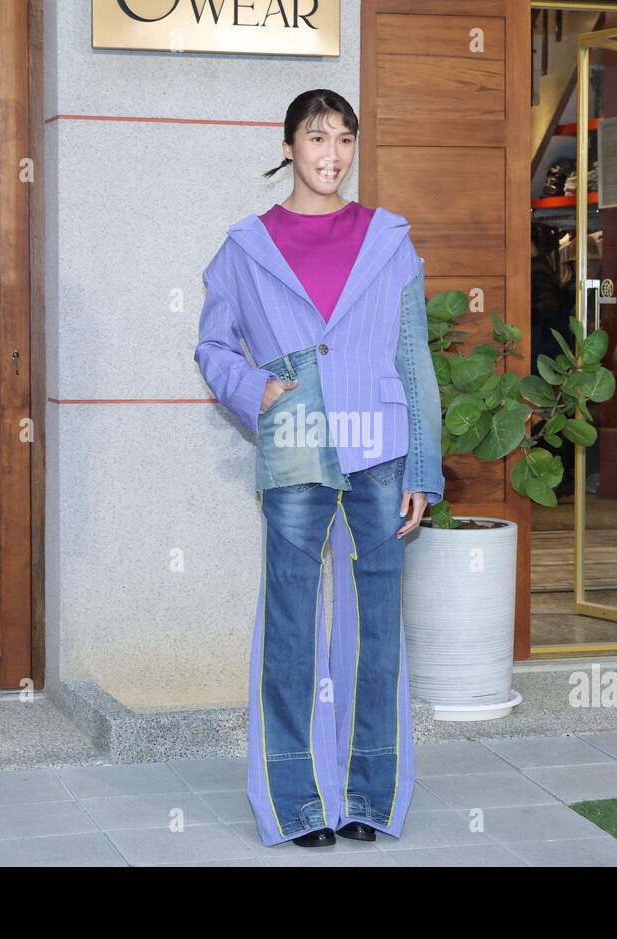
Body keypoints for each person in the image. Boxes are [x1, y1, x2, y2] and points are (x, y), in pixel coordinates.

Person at [193, 90, 444, 850]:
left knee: (377, 626)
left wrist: (424, 470)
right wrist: (255, 388)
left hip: (381, 445)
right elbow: (213, 347)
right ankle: (296, 799)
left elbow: (413, 356)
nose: (330, 155)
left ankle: (370, 793)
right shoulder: (246, 245)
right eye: (316, 138)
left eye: (343, 140)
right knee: (292, 621)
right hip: (297, 437)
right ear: (289, 146)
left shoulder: (390, 240)